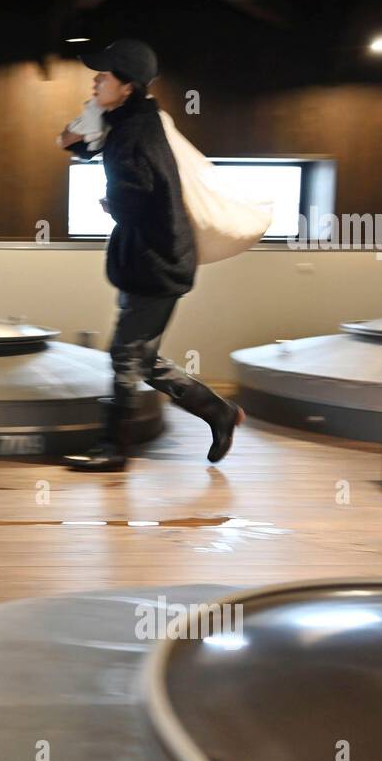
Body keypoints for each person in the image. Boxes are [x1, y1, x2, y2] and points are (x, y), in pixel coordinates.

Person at [57, 40, 243, 472]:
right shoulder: (128, 121)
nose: (95, 80)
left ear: (127, 87)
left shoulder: (135, 131)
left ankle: (114, 449)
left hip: (156, 264)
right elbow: (79, 145)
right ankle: (220, 413)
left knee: (125, 356)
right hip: (150, 261)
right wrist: (89, 123)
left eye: (103, 76)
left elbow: (139, 192)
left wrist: (111, 203)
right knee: (140, 357)